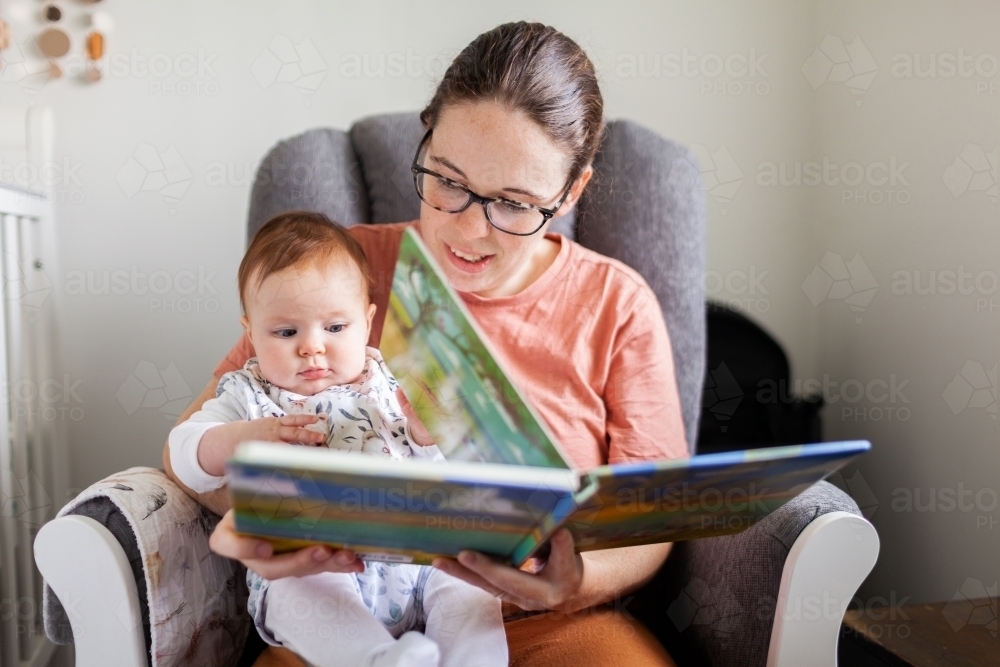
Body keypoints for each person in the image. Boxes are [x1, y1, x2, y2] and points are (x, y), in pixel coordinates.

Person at [164, 21, 688, 667]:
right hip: (344, 619)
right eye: (448, 180)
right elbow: (190, 444)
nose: (468, 228)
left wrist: (574, 578)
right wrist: (267, 520)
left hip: (539, 622)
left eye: (516, 204)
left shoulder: (616, 303)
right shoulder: (338, 274)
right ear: (427, 138)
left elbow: (653, 517)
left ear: (571, 191)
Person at [167, 213, 507, 667]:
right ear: (250, 333)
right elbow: (182, 451)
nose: (312, 347)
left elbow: (438, 470)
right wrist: (237, 439)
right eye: (286, 332)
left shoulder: (391, 382)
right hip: (313, 558)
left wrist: (427, 437)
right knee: (301, 592)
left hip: (421, 559)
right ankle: (375, 659)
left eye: (335, 327)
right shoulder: (248, 395)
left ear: (367, 321)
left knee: (470, 588)